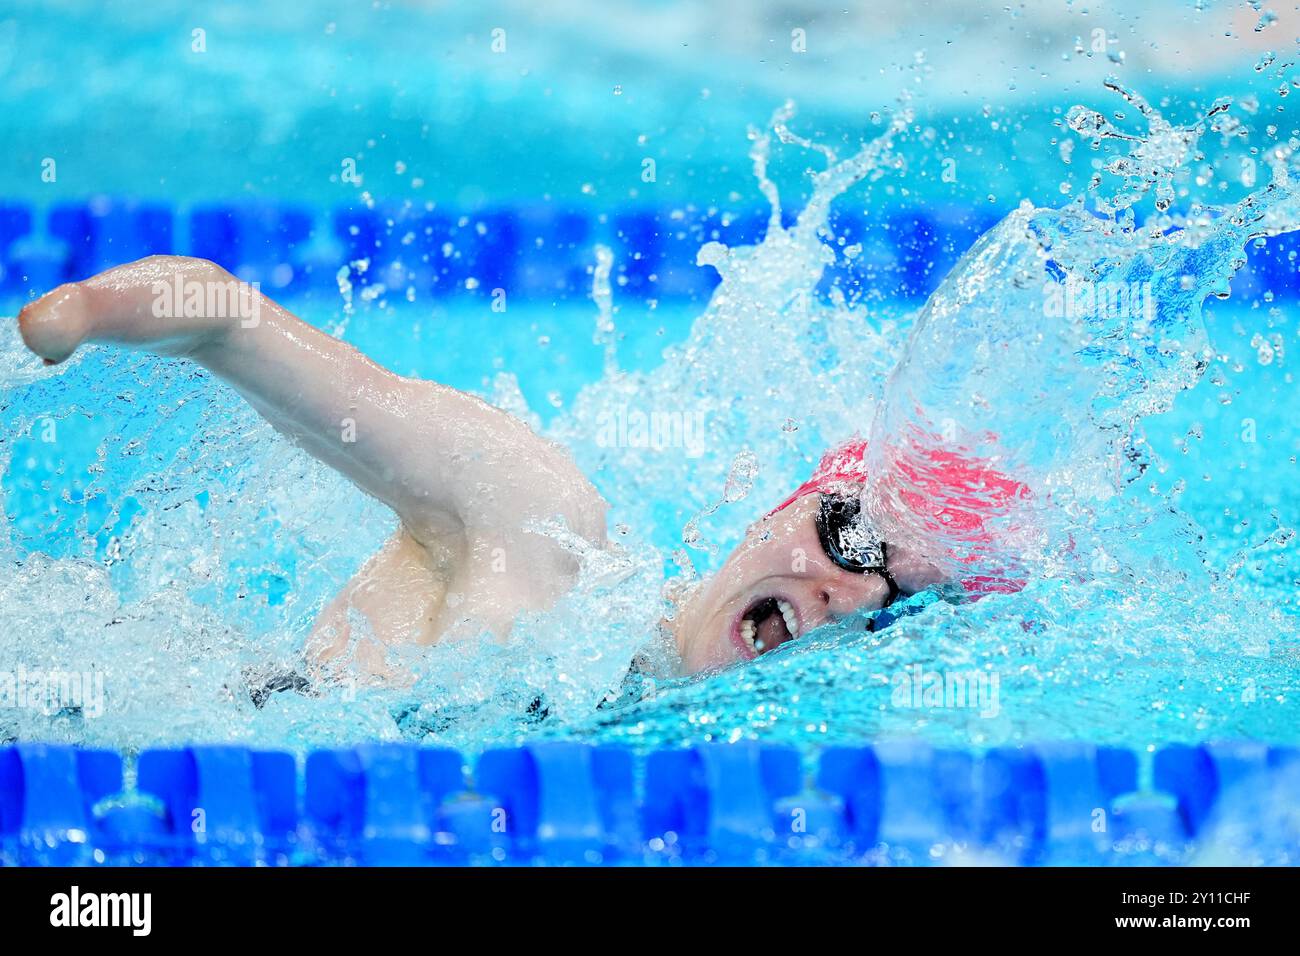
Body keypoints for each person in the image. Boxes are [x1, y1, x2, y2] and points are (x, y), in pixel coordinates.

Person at [16, 254, 1023, 687]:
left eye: (895, 609)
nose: (847, 591)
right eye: (852, 535)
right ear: (784, 504)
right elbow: (229, 319)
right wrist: (84, 317)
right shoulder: (537, 524)